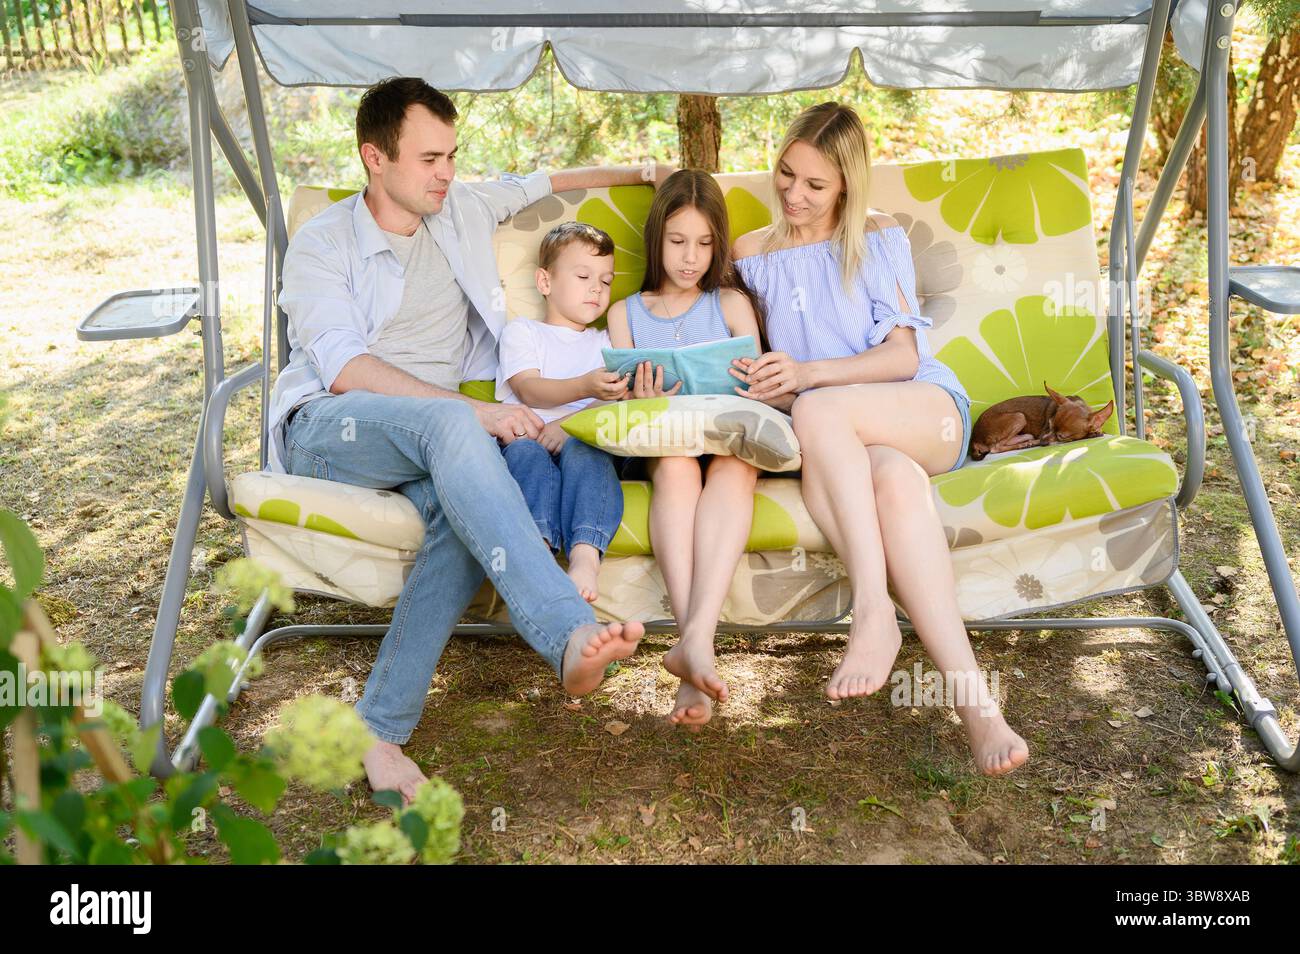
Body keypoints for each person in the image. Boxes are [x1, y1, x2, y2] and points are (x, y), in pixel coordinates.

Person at [269, 76, 674, 803]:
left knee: (460, 516)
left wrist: (645, 173)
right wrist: (472, 411)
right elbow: (342, 370)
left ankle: (380, 732)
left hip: (428, 440)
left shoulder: (458, 210)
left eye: (452, 155)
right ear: (374, 158)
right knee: (460, 424)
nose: (447, 174)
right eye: (429, 159)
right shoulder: (324, 242)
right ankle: (570, 634)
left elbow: (543, 180)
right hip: (336, 431)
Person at [731, 102, 1029, 776]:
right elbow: (754, 363)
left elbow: (900, 356)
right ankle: (980, 712)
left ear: (846, 186)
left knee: (823, 410)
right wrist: (772, 381)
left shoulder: (876, 235)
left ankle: (873, 611)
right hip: (842, 441)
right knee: (892, 481)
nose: (794, 194)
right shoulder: (751, 256)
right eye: (786, 175)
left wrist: (808, 376)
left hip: (922, 408)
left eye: (816, 185)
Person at [605, 170, 765, 730]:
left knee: (738, 463)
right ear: (657, 240)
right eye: (677, 242)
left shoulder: (730, 303)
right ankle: (694, 650)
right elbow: (619, 412)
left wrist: (750, 381)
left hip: (727, 438)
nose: (690, 257)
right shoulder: (626, 312)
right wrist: (640, 398)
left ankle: (694, 645)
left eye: (703, 244)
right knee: (675, 466)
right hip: (662, 441)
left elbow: (764, 387)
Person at [494, 222, 627, 603]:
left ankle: (585, 555)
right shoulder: (523, 333)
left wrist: (570, 426)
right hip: (528, 435)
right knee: (525, 455)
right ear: (545, 281)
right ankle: (537, 554)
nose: (596, 288)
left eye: (606, 279)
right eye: (583, 275)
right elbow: (527, 388)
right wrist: (584, 386)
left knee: (590, 451)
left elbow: (618, 399)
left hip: (581, 437)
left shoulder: (606, 342)